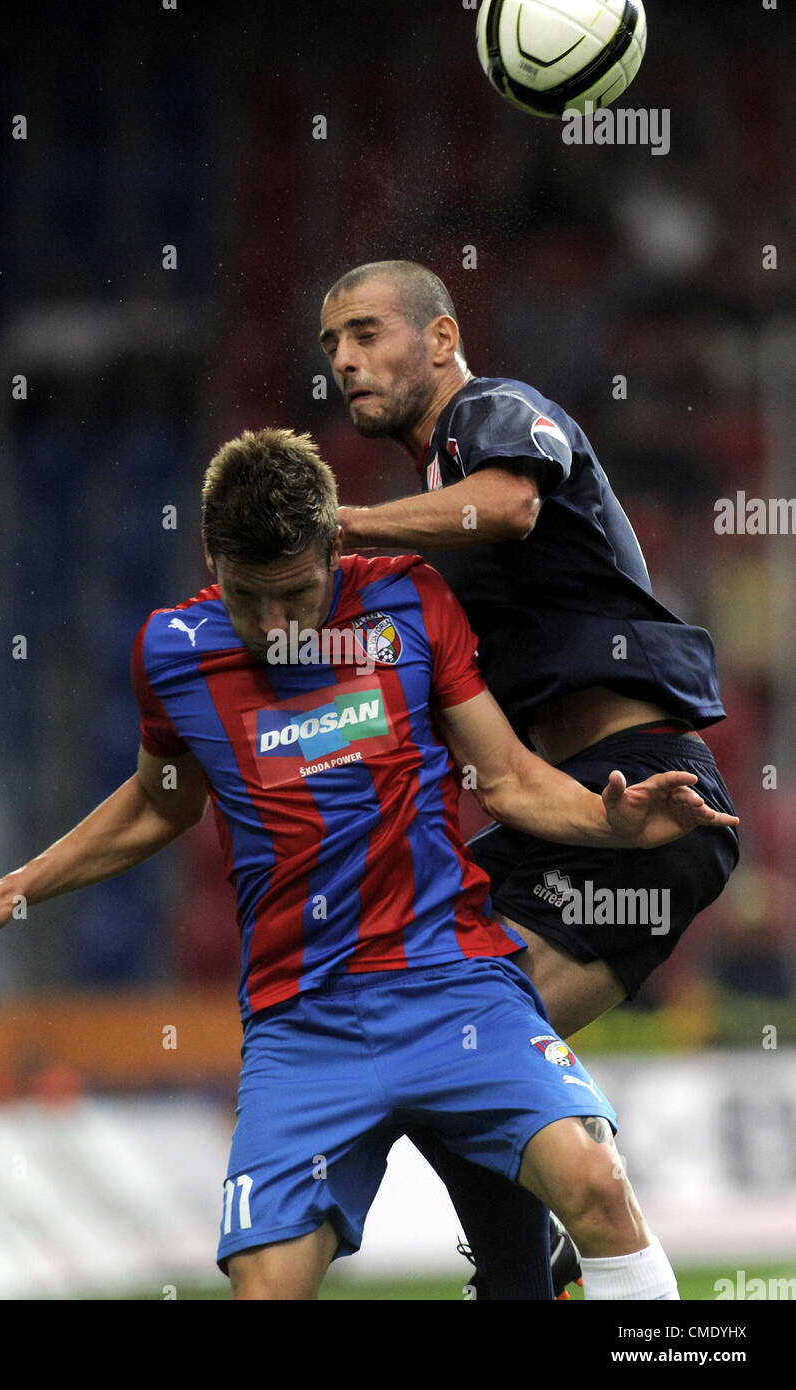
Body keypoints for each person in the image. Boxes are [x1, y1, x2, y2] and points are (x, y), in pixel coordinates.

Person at [0, 429, 738, 1301]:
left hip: (452, 986)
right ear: (214, 558)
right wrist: (14, 888)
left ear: (335, 546)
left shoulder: (409, 601)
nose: (278, 627)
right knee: (264, 1291)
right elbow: (159, 802)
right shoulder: (172, 652)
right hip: (302, 1027)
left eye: (296, 594)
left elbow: (509, 779)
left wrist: (607, 821)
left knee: (595, 1186)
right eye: (252, 600)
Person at [319, 260, 741, 1298]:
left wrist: (346, 527)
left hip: (639, 796)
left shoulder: (493, 416)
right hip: (567, 813)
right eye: (331, 345)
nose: (343, 361)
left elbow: (506, 507)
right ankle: (526, 1279)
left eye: (367, 333)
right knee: (430, 1049)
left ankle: (569, 1257)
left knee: (443, 1043)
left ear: (443, 336)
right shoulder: (433, 529)